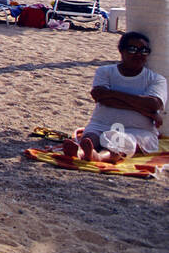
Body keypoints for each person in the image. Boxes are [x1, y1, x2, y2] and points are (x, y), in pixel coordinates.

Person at [62, 32, 166, 162]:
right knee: (90, 137)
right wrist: (146, 112)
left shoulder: (156, 79)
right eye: (133, 49)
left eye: (144, 51)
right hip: (101, 124)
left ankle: (98, 157)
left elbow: (153, 104)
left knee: (122, 143)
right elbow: (99, 96)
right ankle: (81, 152)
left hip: (137, 130)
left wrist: (111, 93)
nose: (139, 54)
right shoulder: (105, 72)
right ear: (121, 51)